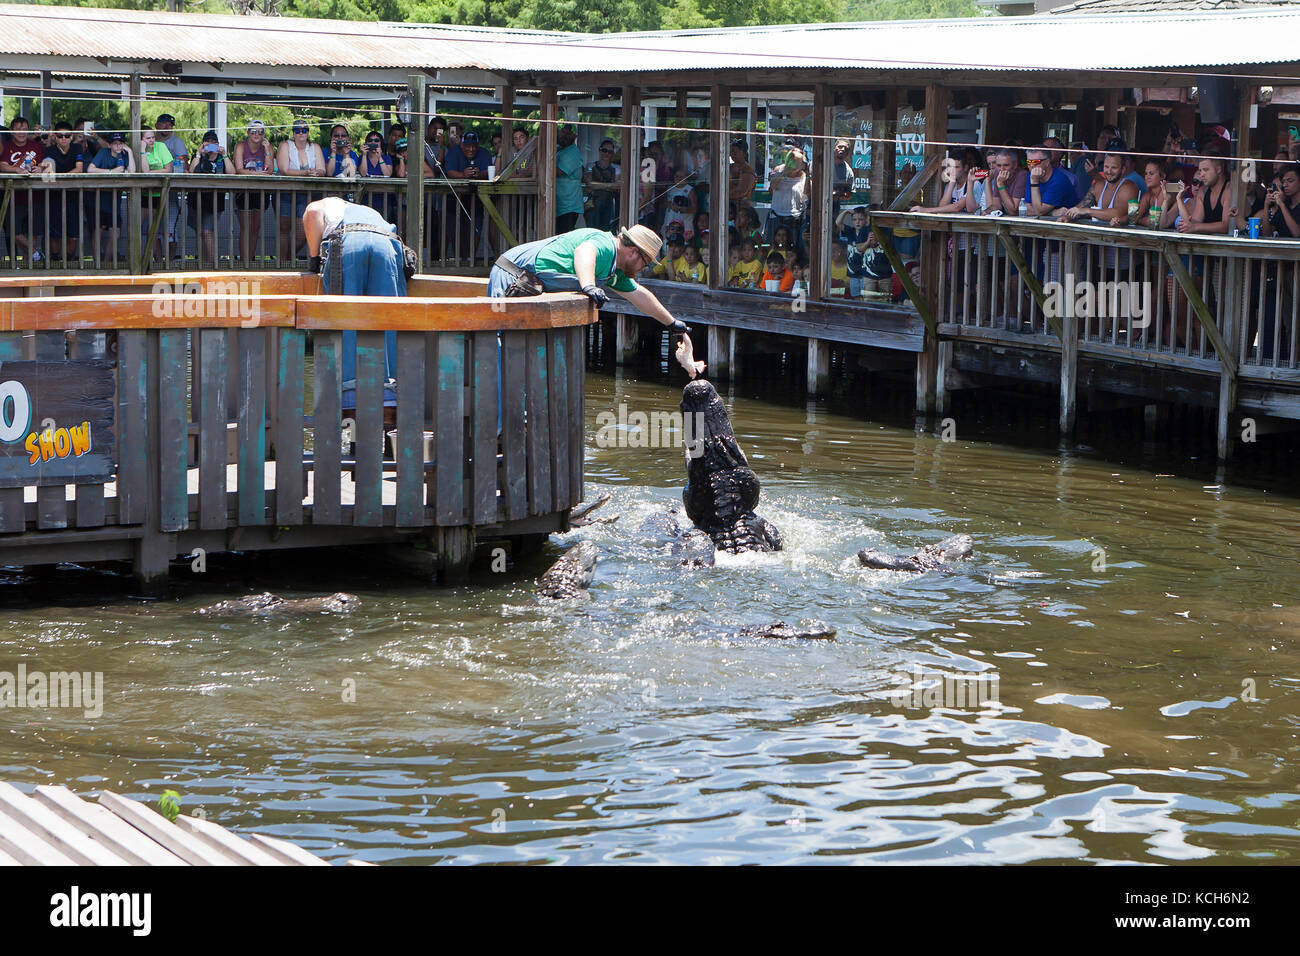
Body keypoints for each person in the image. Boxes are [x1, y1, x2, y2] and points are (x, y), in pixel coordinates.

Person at [304, 196, 407, 424]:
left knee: (345, 321)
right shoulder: (369, 211)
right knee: (388, 322)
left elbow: (311, 214)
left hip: (349, 243)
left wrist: (313, 260)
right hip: (387, 246)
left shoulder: (324, 205)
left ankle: (349, 406)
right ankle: (389, 404)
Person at [488, 224, 691, 336]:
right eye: (645, 263)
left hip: (530, 284)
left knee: (516, 344)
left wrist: (671, 322)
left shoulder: (615, 271)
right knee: (499, 338)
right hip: (512, 274)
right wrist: (589, 287)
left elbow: (639, 295)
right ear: (634, 252)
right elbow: (584, 251)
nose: (644, 268)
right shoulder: (605, 244)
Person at [277, 119, 326, 263]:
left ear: (308, 132)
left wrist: (316, 173)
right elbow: (284, 169)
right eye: (297, 130)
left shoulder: (315, 147)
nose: (301, 133)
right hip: (286, 191)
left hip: (308, 193)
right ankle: (282, 263)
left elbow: (322, 169)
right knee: (284, 229)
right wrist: (305, 173)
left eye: (304, 130)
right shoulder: (285, 145)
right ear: (293, 133)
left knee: (301, 232)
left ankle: (288, 259)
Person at [86, 131, 135, 266]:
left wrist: (129, 151)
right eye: (115, 144)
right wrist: (111, 172)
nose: (118, 147)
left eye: (121, 144)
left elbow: (133, 172)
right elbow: (90, 169)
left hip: (115, 202)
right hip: (99, 200)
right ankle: (97, 263)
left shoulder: (125, 155)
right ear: (109, 144)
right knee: (98, 232)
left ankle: (106, 262)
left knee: (116, 233)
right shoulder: (103, 153)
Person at [1, 117, 45, 263]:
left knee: (31, 232)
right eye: (18, 129)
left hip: (35, 195)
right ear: (12, 131)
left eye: (25, 129)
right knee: (13, 231)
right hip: (13, 197)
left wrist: (41, 168)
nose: (21, 132)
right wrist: (16, 170)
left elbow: (45, 164)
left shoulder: (37, 146)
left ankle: (28, 266)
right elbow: (2, 165)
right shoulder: (6, 146)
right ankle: (36, 253)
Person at [38, 121, 83, 261]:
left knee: (73, 234)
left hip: (73, 195)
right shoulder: (49, 150)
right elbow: (47, 173)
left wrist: (61, 179)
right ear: (55, 137)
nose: (64, 139)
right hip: (54, 196)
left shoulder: (77, 148)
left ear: (71, 137)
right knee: (55, 233)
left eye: (67, 136)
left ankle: (69, 260)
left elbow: (79, 169)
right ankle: (56, 260)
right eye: (60, 136)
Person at [187, 129, 233, 267]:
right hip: (196, 200)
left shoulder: (221, 159)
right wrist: (198, 153)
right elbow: (191, 171)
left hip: (215, 202)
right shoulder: (199, 157)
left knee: (207, 232)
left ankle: (214, 265)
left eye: (214, 142)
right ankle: (204, 263)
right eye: (208, 142)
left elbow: (232, 172)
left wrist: (224, 155)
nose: (211, 145)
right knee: (199, 232)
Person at [1058, 152, 1138, 225]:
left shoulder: (1128, 187)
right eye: (1106, 167)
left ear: (1123, 170)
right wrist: (1067, 217)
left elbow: (1118, 214)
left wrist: (1087, 211)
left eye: (1114, 168)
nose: (1109, 171)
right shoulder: (1099, 185)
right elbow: (1082, 206)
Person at [234, 119, 273, 265]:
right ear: (248, 132)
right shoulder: (240, 146)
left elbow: (269, 170)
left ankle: (250, 259)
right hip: (243, 190)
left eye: (260, 132)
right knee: (246, 227)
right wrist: (257, 174)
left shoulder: (268, 147)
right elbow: (238, 169)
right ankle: (244, 261)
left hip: (261, 190)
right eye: (253, 131)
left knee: (256, 227)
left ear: (264, 134)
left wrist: (268, 150)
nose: (256, 134)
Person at [767, 146, 809, 254]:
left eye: (797, 160)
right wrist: (786, 171)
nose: (794, 162)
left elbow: (807, 193)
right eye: (791, 159)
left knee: (794, 248)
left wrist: (806, 172)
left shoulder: (804, 176)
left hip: (796, 216)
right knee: (774, 246)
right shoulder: (779, 169)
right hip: (777, 214)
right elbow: (772, 187)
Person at [555, 124, 585, 233]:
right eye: (562, 132)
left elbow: (559, 172)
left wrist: (545, 160)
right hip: (559, 205)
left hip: (568, 206)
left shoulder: (573, 153)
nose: (564, 135)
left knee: (563, 235)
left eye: (568, 133)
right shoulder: (560, 150)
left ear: (574, 136)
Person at [358, 130, 395, 219]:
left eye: (376, 141)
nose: (373, 143)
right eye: (370, 141)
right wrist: (363, 155)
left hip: (384, 200)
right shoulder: (362, 158)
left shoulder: (386, 158)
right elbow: (363, 173)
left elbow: (387, 174)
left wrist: (380, 157)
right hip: (366, 199)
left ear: (381, 143)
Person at [587, 139, 620, 232]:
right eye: (604, 150)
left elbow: (617, 186)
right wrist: (609, 186)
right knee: (592, 230)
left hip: (611, 204)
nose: (606, 154)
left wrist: (599, 185)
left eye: (610, 152)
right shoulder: (591, 165)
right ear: (599, 150)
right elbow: (589, 184)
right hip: (593, 203)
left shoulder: (616, 168)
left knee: (608, 230)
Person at [984, 148, 1028, 216]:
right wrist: (985, 212)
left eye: (1006, 165)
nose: (1002, 169)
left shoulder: (1022, 175)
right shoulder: (997, 173)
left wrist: (1001, 185)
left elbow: (1013, 211)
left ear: (1015, 165)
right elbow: (997, 205)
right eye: (998, 165)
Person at [728, 140, 757, 218]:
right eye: (730, 151)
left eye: (734, 151)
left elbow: (742, 191)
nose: (732, 154)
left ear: (743, 153)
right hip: (727, 207)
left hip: (741, 210)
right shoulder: (728, 168)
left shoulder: (748, 170)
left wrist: (723, 195)